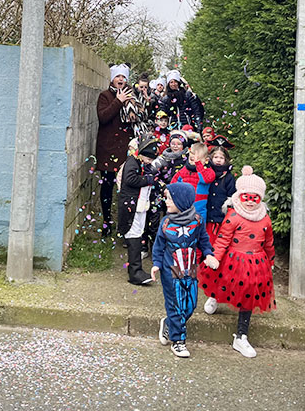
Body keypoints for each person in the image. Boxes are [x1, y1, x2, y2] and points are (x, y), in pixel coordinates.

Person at [198, 166, 275, 358]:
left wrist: (270, 259)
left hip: (256, 262)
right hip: (233, 259)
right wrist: (215, 257)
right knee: (223, 282)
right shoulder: (233, 216)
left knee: (248, 295)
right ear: (239, 196)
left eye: (255, 197)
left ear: (261, 198)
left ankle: (241, 336)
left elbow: (269, 242)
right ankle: (215, 297)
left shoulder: (264, 219)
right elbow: (223, 239)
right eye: (245, 197)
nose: (250, 202)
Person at [151, 183, 219, 358]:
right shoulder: (165, 223)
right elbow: (158, 246)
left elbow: (203, 240)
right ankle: (178, 341)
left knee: (190, 305)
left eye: (170, 199)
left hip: (191, 269)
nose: (166, 202)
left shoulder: (197, 221)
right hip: (170, 271)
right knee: (176, 305)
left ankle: (169, 323)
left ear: (181, 201)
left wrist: (209, 254)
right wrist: (156, 264)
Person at [95, 64, 135, 237]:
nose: (121, 80)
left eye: (123, 77)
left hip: (125, 149)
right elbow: (103, 117)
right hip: (107, 148)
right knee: (107, 186)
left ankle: (124, 224)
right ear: (112, 79)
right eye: (118, 77)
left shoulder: (131, 96)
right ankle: (106, 221)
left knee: (125, 188)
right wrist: (118, 101)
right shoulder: (104, 96)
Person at [117, 136, 159, 285]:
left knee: (138, 233)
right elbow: (129, 180)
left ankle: (137, 270)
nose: (149, 161)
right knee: (133, 236)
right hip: (131, 206)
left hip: (140, 206)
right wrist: (147, 180)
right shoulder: (132, 162)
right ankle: (135, 273)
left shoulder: (141, 163)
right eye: (147, 158)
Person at [170, 142, 215, 224]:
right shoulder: (184, 170)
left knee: (198, 231)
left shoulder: (208, 171)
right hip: (183, 207)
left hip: (199, 208)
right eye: (191, 159)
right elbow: (174, 183)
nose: (194, 162)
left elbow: (205, 179)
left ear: (206, 160)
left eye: (198, 160)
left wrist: (199, 165)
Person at [204, 146, 236, 246]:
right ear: (211, 158)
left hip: (221, 217)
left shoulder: (228, 177)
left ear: (225, 160)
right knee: (207, 242)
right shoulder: (207, 173)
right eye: (216, 157)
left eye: (221, 158)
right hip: (207, 215)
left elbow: (232, 195)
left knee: (220, 243)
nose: (218, 160)